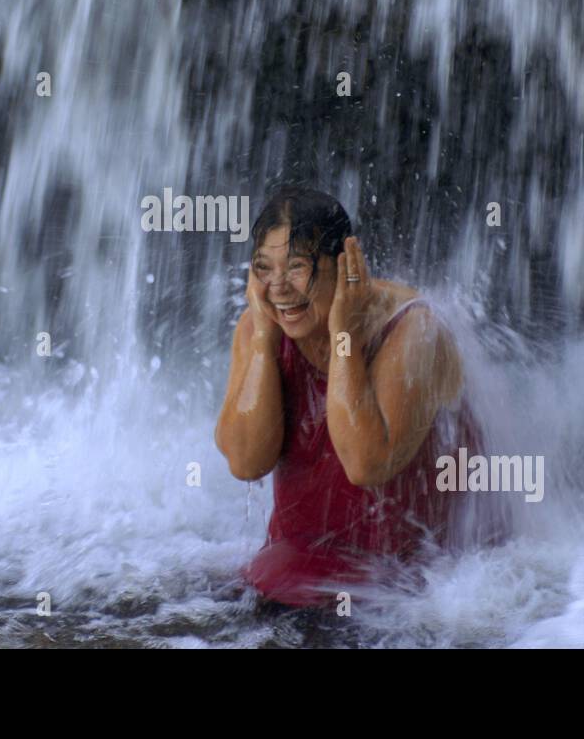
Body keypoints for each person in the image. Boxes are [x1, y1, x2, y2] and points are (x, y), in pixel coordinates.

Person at [215, 186, 503, 608]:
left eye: (297, 267)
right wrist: (261, 339)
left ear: (348, 264)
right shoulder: (262, 326)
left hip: (438, 590)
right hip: (304, 567)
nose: (278, 289)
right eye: (264, 269)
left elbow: (368, 462)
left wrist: (344, 334)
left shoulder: (413, 330)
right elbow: (245, 462)